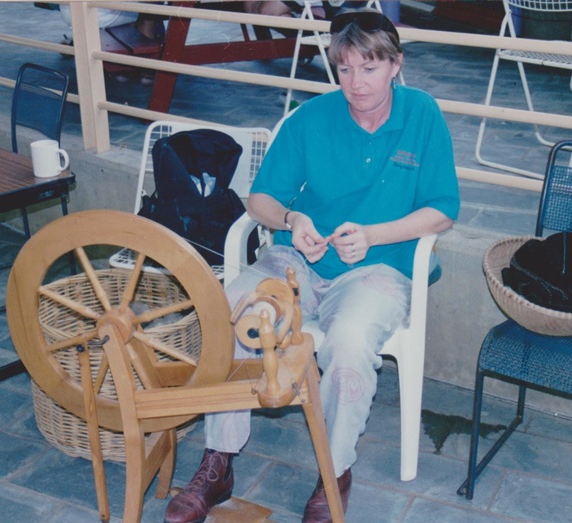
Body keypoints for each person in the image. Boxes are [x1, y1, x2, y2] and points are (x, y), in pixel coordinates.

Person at [165, 8, 460, 523]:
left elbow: (442, 210)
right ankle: (219, 460)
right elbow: (259, 199)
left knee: (348, 341)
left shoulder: (422, 115)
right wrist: (291, 216)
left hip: (379, 269)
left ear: (396, 65)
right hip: (295, 261)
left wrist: (372, 235)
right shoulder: (309, 119)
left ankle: (333, 470)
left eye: (370, 68)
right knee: (229, 310)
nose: (356, 83)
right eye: (344, 69)